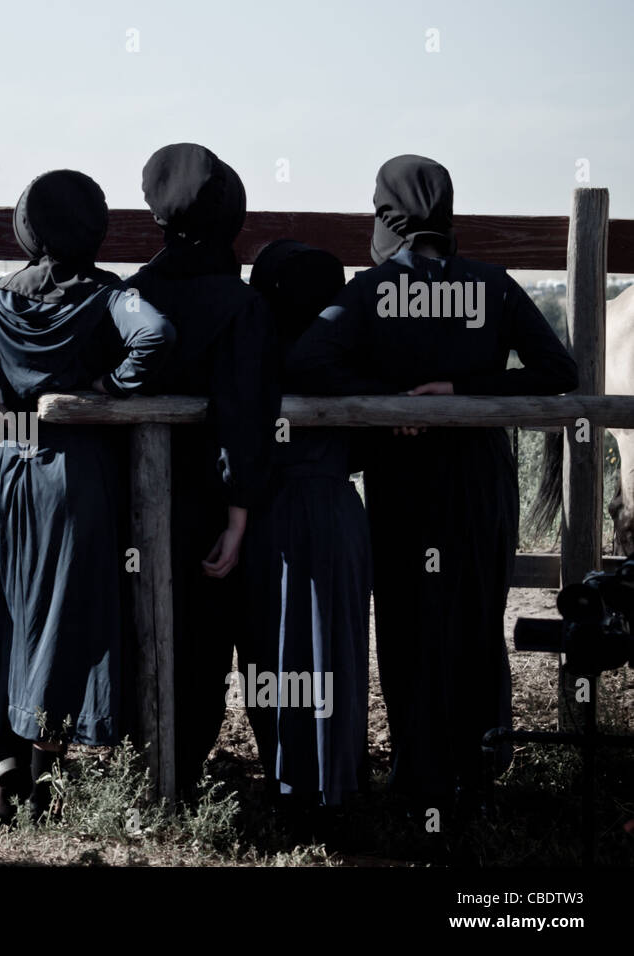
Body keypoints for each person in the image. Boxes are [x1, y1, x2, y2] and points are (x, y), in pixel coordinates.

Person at [286, 155, 579, 811]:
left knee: (408, 622)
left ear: (385, 214)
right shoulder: (492, 284)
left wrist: (392, 402)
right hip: (481, 480)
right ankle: (478, 766)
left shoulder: (371, 290)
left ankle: (419, 774)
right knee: (478, 617)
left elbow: (307, 360)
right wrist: (465, 392)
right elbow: (556, 368)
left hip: (405, 480)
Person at [0, 169, 174, 820]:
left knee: (16, 610)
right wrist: (111, 386)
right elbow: (155, 335)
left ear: (26, 229)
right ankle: (52, 768)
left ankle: (10, 762)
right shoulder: (110, 296)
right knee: (75, 614)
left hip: (10, 465)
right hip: (79, 472)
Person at [125, 144, 280, 796]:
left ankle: (151, 776)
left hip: (137, 501)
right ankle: (184, 773)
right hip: (214, 507)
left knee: (145, 636)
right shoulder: (242, 307)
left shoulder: (131, 296)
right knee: (208, 643)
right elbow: (246, 416)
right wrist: (240, 516)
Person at [245, 239, 371, 814]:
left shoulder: (256, 353)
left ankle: (286, 780)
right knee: (336, 648)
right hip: (338, 505)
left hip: (268, 511)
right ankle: (338, 783)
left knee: (272, 649)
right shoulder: (347, 354)